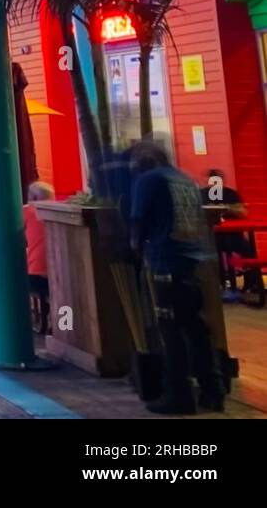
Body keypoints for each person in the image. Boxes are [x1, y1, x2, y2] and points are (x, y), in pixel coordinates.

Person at [129, 141, 223, 413]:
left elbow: (138, 223)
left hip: (165, 259)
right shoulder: (185, 180)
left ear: (146, 159)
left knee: (171, 331)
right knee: (196, 328)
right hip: (195, 259)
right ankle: (211, 390)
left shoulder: (148, 180)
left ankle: (178, 394)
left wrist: (136, 249)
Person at [24, 180, 54, 333]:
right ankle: (63, 327)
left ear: (33, 197)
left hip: (35, 270)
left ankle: (39, 318)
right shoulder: (59, 211)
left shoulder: (27, 211)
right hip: (60, 269)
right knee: (62, 299)